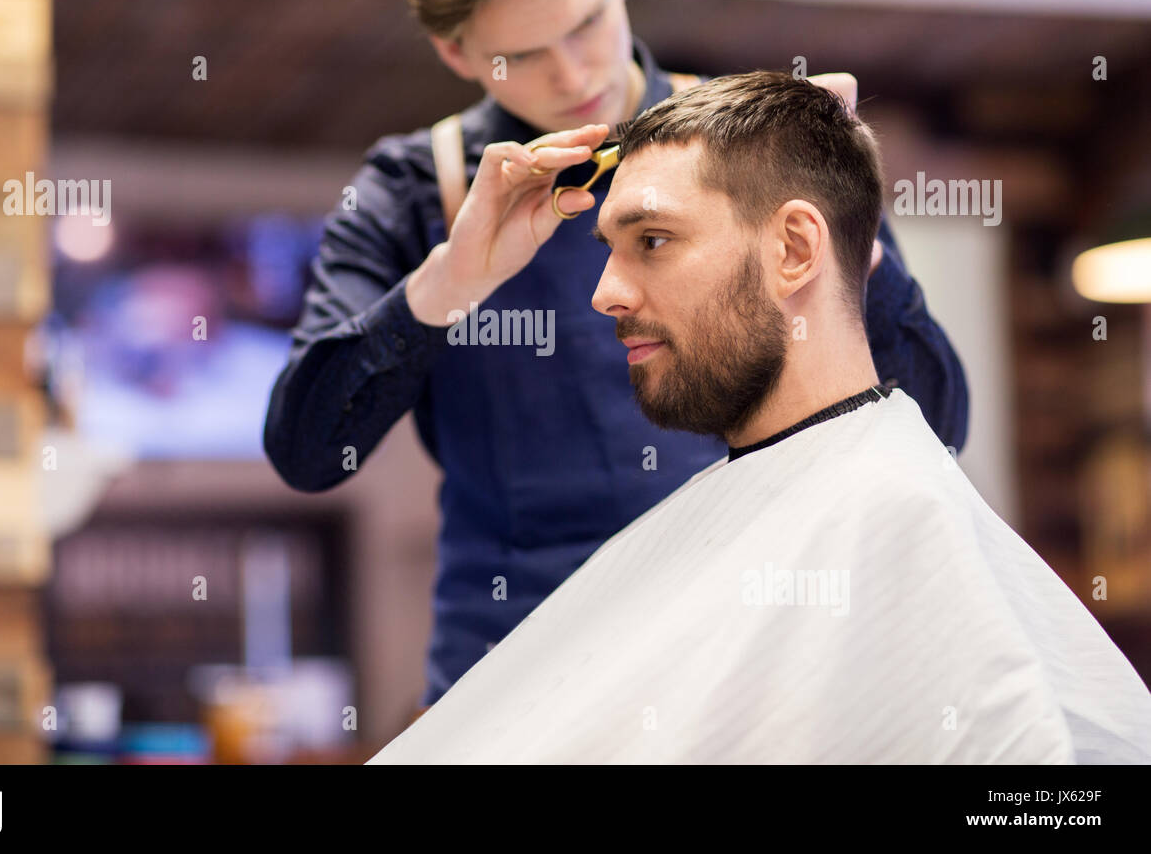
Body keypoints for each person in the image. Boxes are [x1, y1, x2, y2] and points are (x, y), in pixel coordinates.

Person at [263, 0, 969, 716]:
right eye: (521, 55)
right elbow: (308, 453)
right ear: (454, 52)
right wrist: (448, 284)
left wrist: (847, 243)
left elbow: (938, 427)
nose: (573, 75)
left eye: (585, 22)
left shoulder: (760, 147)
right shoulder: (411, 189)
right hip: (519, 666)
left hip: (742, 641)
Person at [366, 71, 1151, 763]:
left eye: (652, 239)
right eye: (610, 246)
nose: (604, 292)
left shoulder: (896, 518)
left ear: (795, 250)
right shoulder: (729, 508)